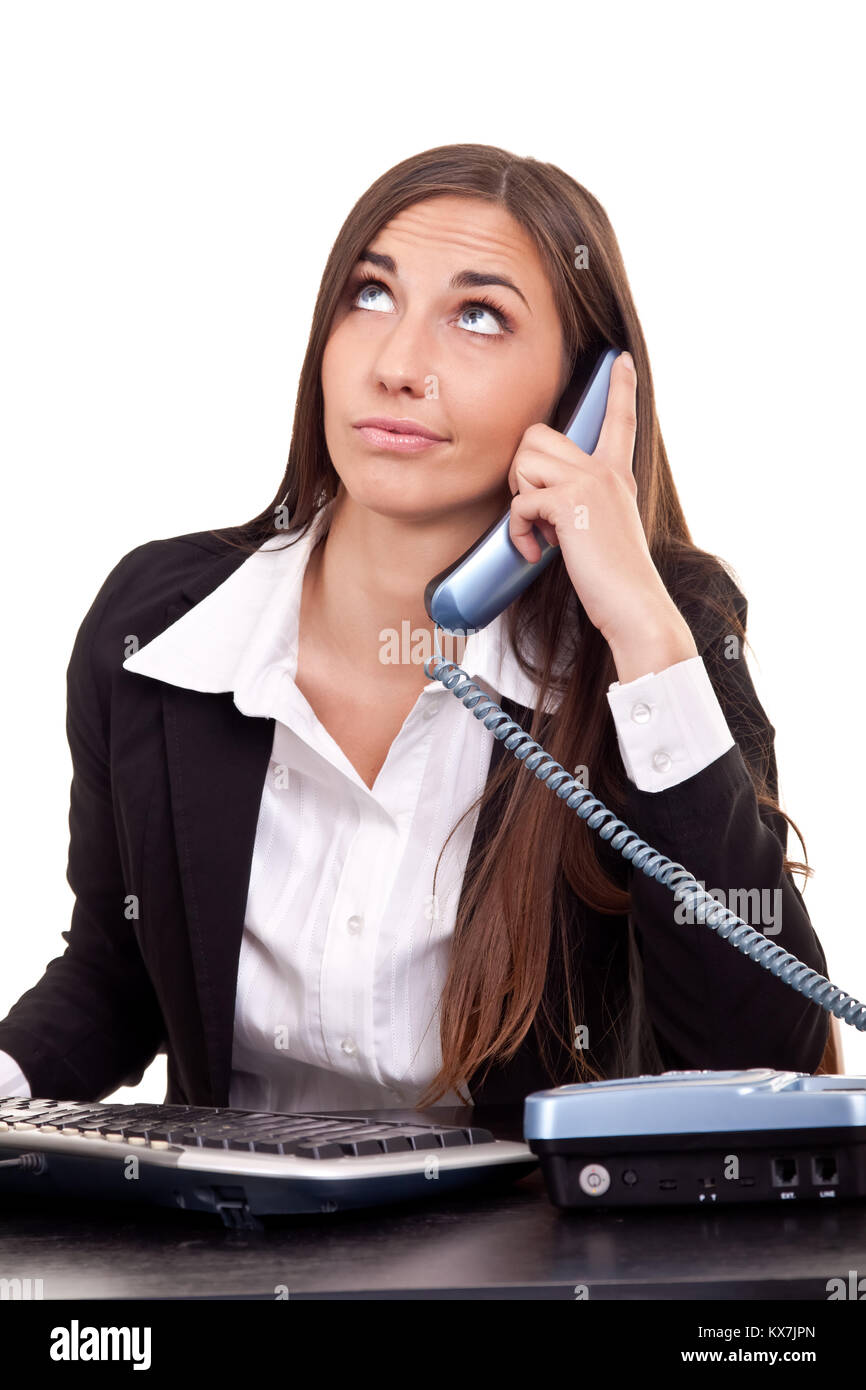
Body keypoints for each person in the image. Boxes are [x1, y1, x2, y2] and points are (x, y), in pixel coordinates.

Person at [0, 143, 834, 1114]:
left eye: (477, 316)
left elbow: (759, 1059)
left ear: (583, 396)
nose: (400, 367)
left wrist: (641, 630)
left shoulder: (656, 637)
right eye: (369, 295)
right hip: (219, 1254)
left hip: (536, 1258)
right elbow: (116, 974)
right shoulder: (161, 626)